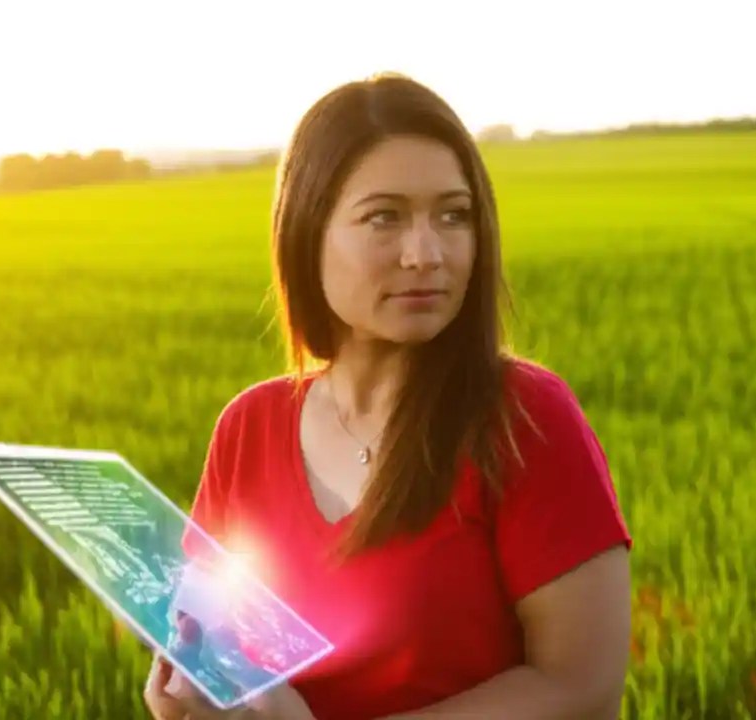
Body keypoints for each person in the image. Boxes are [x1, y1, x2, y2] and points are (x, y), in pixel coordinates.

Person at [144, 71, 633, 720]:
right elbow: (210, 643)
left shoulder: (524, 419)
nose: (426, 253)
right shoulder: (249, 427)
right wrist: (189, 700)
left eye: (454, 216)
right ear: (307, 230)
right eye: (385, 218)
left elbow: (580, 689)